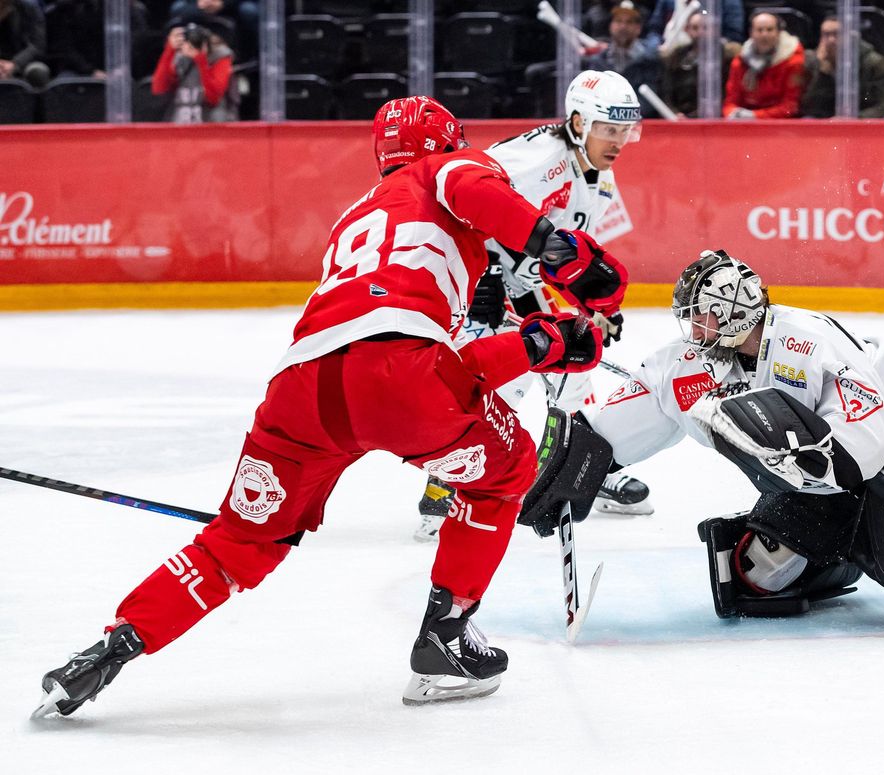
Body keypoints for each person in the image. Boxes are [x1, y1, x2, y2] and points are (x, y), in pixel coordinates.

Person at [33, 95, 629, 718]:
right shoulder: (447, 171)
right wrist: (563, 265)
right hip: (396, 377)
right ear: (450, 142)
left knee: (237, 541)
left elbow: (427, 358)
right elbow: (435, 368)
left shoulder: (354, 217)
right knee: (507, 470)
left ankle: (112, 647)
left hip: (300, 390)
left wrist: (543, 338)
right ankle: (446, 636)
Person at [520, 250, 884, 646]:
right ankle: (845, 550)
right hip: (825, 476)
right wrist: (587, 446)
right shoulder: (693, 362)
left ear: (731, 315)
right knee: (754, 577)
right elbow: (648, 404)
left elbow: (870, 423)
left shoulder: (809, 339)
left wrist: (829, 469)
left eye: (700, 319)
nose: (690, 332)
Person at [414, 69, 653, 543]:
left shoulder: (600, 179)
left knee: (577, 352)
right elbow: (460, 202)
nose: (619, 140)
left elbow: (558, 256)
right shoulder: (534, 159)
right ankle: (452, 484)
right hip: (473, 283)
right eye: (610, 129)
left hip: (513, 283)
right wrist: (479, 276)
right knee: (503, 376)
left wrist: (589, 301)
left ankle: (578, 466)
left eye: (626, 130)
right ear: (580, 122)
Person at [800, 14, 884, 119]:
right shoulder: (813, 61)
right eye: (826, 34)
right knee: (807, 119)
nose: (831, 40)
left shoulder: (872, 62)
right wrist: (823, 73)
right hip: (828, 123)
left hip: (865, 120)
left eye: (837, 34)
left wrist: (857, 118)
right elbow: (808, 107)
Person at [151, 16, 239, 122]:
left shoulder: (221, 57)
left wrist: (201, 60)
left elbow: (213, 98)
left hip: (211, 124)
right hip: (180, 122)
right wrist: (169, 50)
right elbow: (159, 89)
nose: (194, 43)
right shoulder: (180, 57)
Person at [583, 1, 662, 117]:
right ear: (611, 26)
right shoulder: (599, 61)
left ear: (638, 28)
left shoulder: (650, 61)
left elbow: (650, 103)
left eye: (629, 22)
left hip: (643, 125)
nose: (623, 26)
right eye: (618, 21)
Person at [723, 11, 806, 119]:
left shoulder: (794, 61)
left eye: (769, 30)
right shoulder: (739, 62)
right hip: (745, 123)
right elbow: (730, 102)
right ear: (751, 33)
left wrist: (755, 116)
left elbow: (790, 107)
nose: (764, 35)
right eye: (759, 30)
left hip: (782, 125)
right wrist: (732, 113)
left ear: (779, 33)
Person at [658, 8, 740, 118]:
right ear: (686, 29)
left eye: (705, 28)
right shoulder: (676, 56)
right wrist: (674, 113)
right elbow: (666, 91)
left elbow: (727, 94)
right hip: (678, 118)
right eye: (695, 28)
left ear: (714, 29)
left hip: (714, 118)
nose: (700, 32)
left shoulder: (726, 56)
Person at [0, 0, 50, 88]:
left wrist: (14, 64)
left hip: (18, 64)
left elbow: (37, 45)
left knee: (38, 74)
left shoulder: (29, 7)